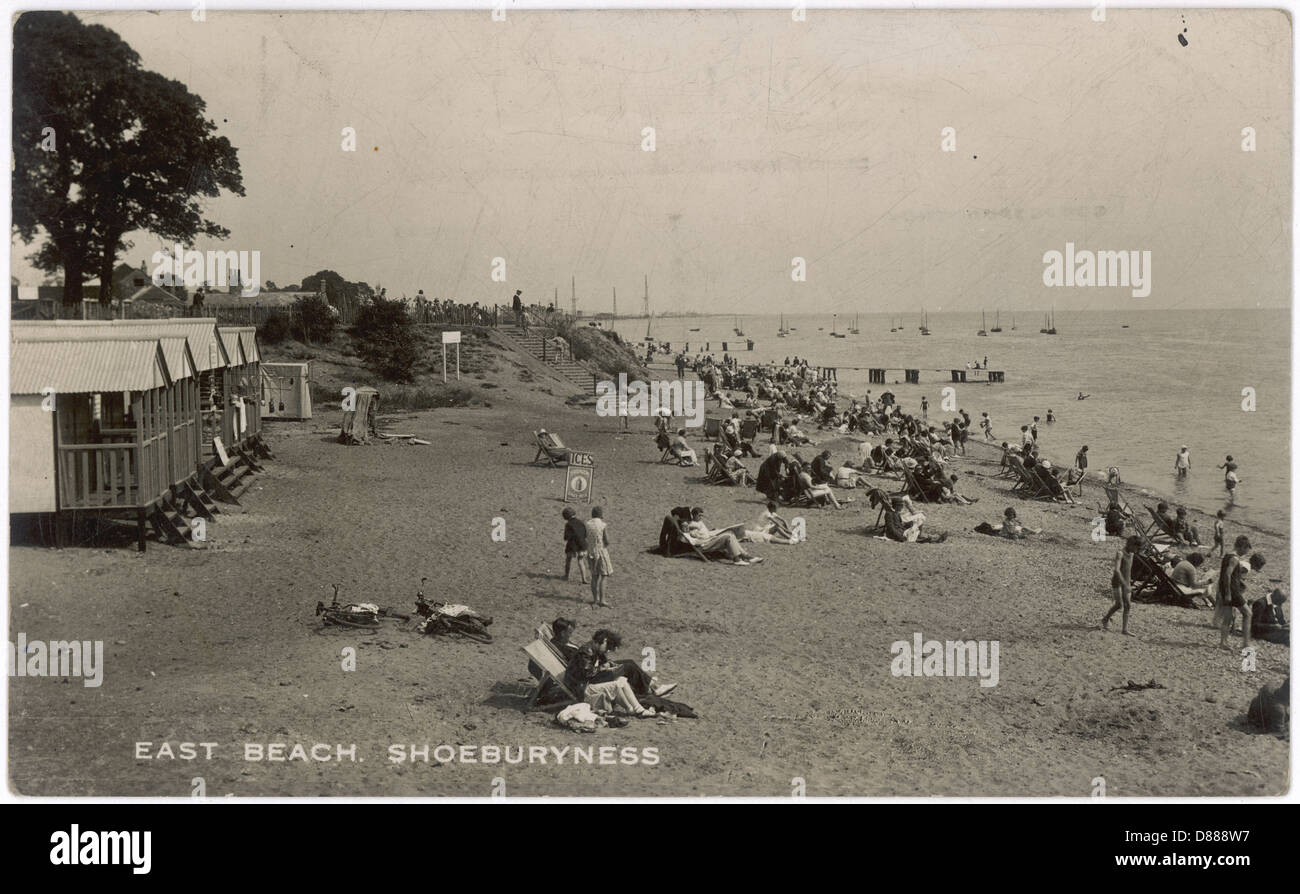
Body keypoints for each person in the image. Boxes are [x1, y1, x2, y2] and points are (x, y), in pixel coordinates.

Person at [563, 630, 655, 717]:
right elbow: (588, 673)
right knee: (618, 682)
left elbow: (594, 670)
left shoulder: (594, 649)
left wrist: (608, 666)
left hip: (584, 684)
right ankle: (633, 709)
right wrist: (604, 668)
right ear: (604, 640)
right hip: (581, 688)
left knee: (621, 679)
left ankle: (638, 709)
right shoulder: (586, 651)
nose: (607, 651)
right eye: (607, 647)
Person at [1215, 536, 1256, 651]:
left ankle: (1223, 643)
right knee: (1248, 614)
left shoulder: (1227, 556)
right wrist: (1228, 593)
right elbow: (1227, 575)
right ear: (1242, 547)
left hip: (1225, 589)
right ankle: (1246, 643)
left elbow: (1224, 575)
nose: (1246, 553)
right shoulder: (1235, 558)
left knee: (1228, 617)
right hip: (1232, 591)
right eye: (1246, 550)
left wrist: (1223, 591)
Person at [1102, 535, 1141, 636]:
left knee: (1128, 605)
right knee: (1119, 605)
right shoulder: (1120, 553)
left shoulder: (1131, 554)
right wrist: (1125, 583)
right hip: (1118, 582)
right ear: (1131, 545)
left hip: (1126, 582)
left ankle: (1124, 629)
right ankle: (1105, 619)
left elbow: (1128, 570)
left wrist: (1129, 583)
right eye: (1136, 547)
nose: (1137, 550)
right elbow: (1117, 570)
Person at [585, 507, 613, 608]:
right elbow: (607, 540)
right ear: (601, 514)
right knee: (604, 576)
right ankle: (602, 600)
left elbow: (585, 537)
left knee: (594, 576)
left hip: (591, 552)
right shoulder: (603, 525)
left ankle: (595, 599)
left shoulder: (587, 524)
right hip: (601, 552)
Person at [562, 507, 589, 583]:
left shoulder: (568, 524)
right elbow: (585, 534)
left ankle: (566, 575)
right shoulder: (581, 522)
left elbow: (566, 537)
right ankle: (584, 578)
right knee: (581, 561)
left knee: (568, 560)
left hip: (573, 546)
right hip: (582, 545)